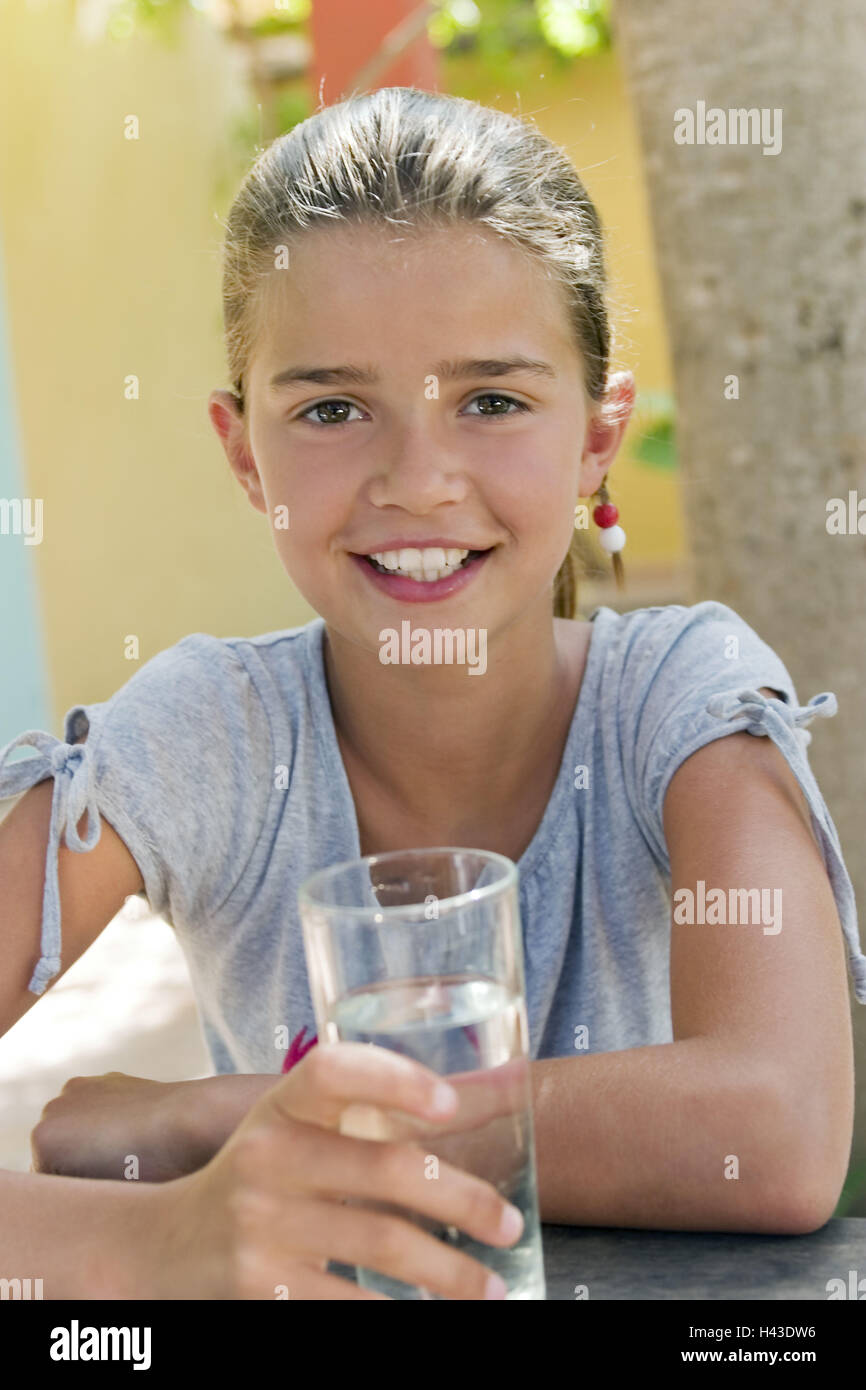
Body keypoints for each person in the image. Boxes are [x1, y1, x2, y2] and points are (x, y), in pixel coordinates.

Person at [1, 86, 865, 1301]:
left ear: (596, 437)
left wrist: (230, 1119)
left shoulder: (677, 701)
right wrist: (151, 1243)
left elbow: (776, 1133)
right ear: (244, 451)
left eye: (493, 400)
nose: (417, 480)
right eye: (333, 409)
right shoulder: (215, 733)